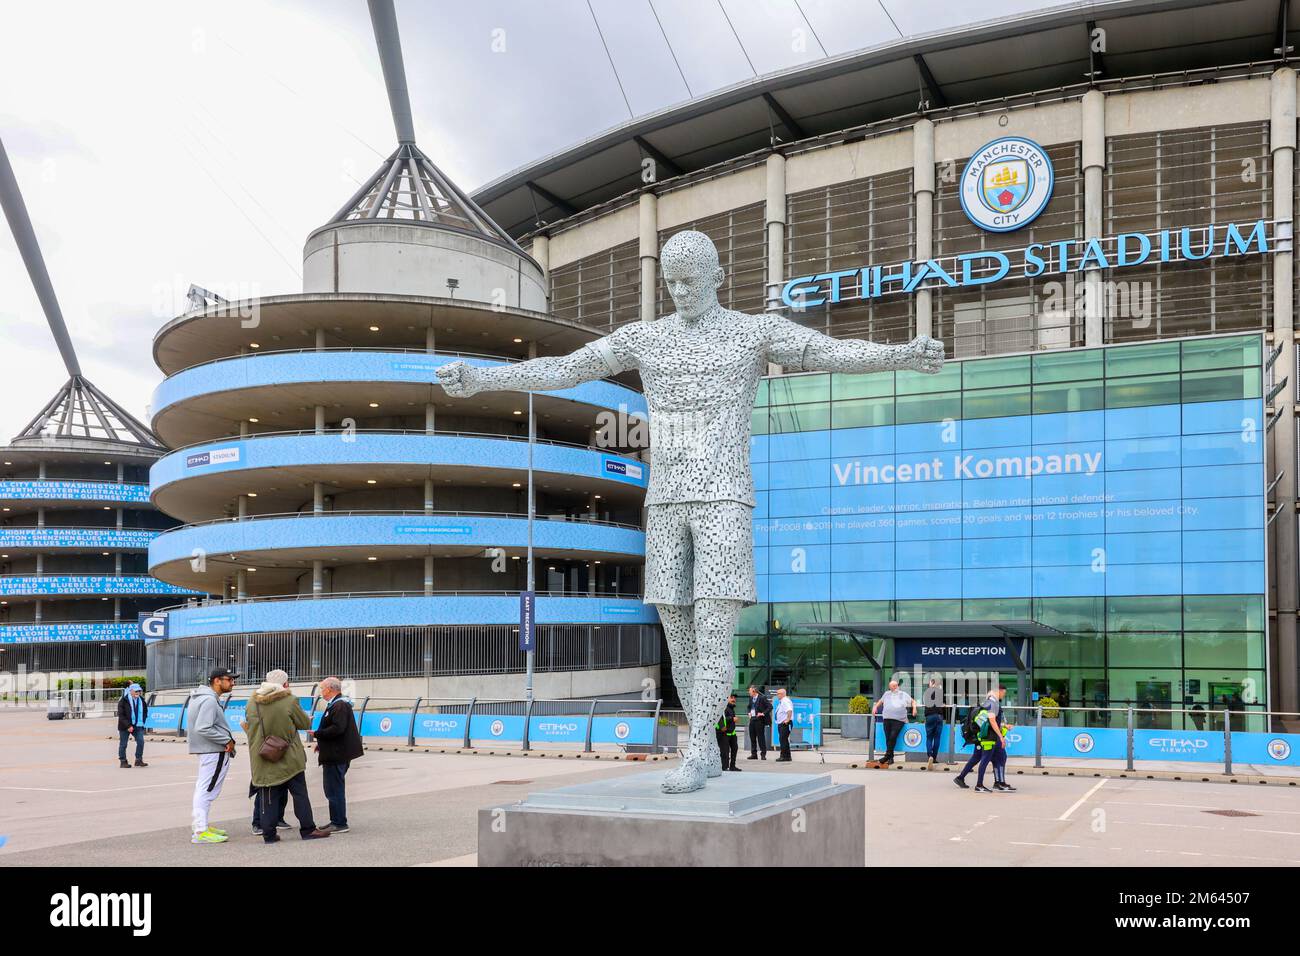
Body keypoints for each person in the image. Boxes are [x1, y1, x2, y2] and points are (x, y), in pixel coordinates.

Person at [435, 229, 943, 794]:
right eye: (671, 281)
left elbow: (823, 350)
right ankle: (697, 743)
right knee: (677, 628)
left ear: (718, 278)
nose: (679, 291)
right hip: (668, 497)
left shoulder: (752, 332)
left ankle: (701, 749)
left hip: (725, 495)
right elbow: (566, 368)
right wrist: (483, 379)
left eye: (691, 281)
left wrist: (898, 355)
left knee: (713, 624)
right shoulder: (646, 339)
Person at [245, 669, 330, 842]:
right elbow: (304, 723)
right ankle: (308, 830)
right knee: (299, 794)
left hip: (262, 755)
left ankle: (269, 835)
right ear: (285, 684)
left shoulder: (252, 702)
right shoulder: (289, 700)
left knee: (269, 795)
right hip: (289, 755)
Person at [187, 667, 237, 845]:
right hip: (213, 750)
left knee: (204, 788)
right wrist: (226, 740)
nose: (233, 683)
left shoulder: (202, 697)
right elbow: (203, 727)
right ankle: (200, 830)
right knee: (207, 790)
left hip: (208, 750)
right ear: (217, 680)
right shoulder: (208, 700)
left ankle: (202, 826)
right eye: (229, 679)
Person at [311, 676, 365, 832]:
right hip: (334, 752)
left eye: (322, 688)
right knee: (332, 789)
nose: (321, 691)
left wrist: (317, 734)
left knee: (334, 789)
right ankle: (336, 819)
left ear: (330, 689)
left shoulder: (339, 705)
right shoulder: (336, 704)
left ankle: (340, 822)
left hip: (337, 755)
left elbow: (338, 728)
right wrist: (321, 744)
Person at [955, 684, 1006, 791]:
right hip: (987, 737)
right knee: (987, 759)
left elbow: (989, 720)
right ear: (999, 691)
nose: (1004, 695)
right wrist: (1000, 736)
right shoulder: (992, 703)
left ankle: (961, 778)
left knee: (978, 758)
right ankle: (981, 784)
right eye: (1004, 692)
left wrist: (1004, 727)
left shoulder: (987, 702)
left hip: (982, 736)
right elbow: (992, 721)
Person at [874, 679, 917, 765]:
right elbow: (880, 701)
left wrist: (914, 709)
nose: (896, 687)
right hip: (886, 719)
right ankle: (890, 758)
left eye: (896, 685)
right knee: (888, 738)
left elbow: (913, 701)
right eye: (893, 686)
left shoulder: (903, 694)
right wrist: (875, 707)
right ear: (890, 687)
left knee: (893, 737)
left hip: (899, 720)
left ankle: (887, 756)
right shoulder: (886, 694)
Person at [116, 682, 148, 768]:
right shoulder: (123, 700)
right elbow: (121, 715)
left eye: (139, 691)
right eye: (136, 691)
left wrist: (143, 721)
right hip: (125, 726)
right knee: (123, 744)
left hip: (138, 725)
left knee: (141, 741)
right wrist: (128, 726)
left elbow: (145, 711)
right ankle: (123, 761)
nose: (138, 692)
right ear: (131, 691)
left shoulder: (141, 700)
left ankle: (138, 759)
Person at [714, 692, 741, 772]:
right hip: (724, 733)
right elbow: (718, 717)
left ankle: (732, 766)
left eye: (734, 698)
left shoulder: (731, 708)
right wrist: (731, 719)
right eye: (731, 697)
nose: (733, 699)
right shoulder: (722, 707)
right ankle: (724, 767)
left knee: (734, 749)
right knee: (724, 752)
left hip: (732, 733)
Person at [922, 677, 944, 769]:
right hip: (939, 716)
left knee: (929, 737)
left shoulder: (927, 692)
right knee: (937, 737)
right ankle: (934, 758)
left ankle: (930, 756)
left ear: (932, 683)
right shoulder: (940, 692)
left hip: (930, 716)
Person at [745, 685, 771, 760]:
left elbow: (770, 707)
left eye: (749, 691)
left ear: (754, 691)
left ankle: (763, 754)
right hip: (752, 720)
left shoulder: (762, 698)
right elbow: (749, 707)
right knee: (752, 737)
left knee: (761, 738)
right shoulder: (751, 698)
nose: (749, 692)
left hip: (759, 720)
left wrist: (763, 713)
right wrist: (749, 712)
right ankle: (754, 754)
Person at [773, 688, 794, 761]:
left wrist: (787, 720)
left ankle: (784, 756)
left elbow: (789, 710)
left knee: (783, 740)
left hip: (785, 724)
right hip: (782, 723)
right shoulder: (782, 701)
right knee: (783, 740)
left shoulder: (785, 701)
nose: (777, 695)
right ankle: (787, 756)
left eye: (778, 693)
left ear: (782, 694)